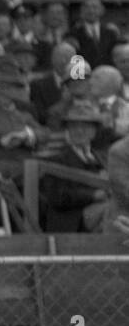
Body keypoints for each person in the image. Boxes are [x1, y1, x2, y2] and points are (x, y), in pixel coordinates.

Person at [37, 100, 109, 233]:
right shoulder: (56, 160)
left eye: (85, 127)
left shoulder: (103, 158)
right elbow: (57, 197)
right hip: (72, 220)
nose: (79, 131)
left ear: (94, 131)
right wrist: (93, 195)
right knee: (111, 211)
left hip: (101, 213)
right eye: (74, 126)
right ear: (67, 130)